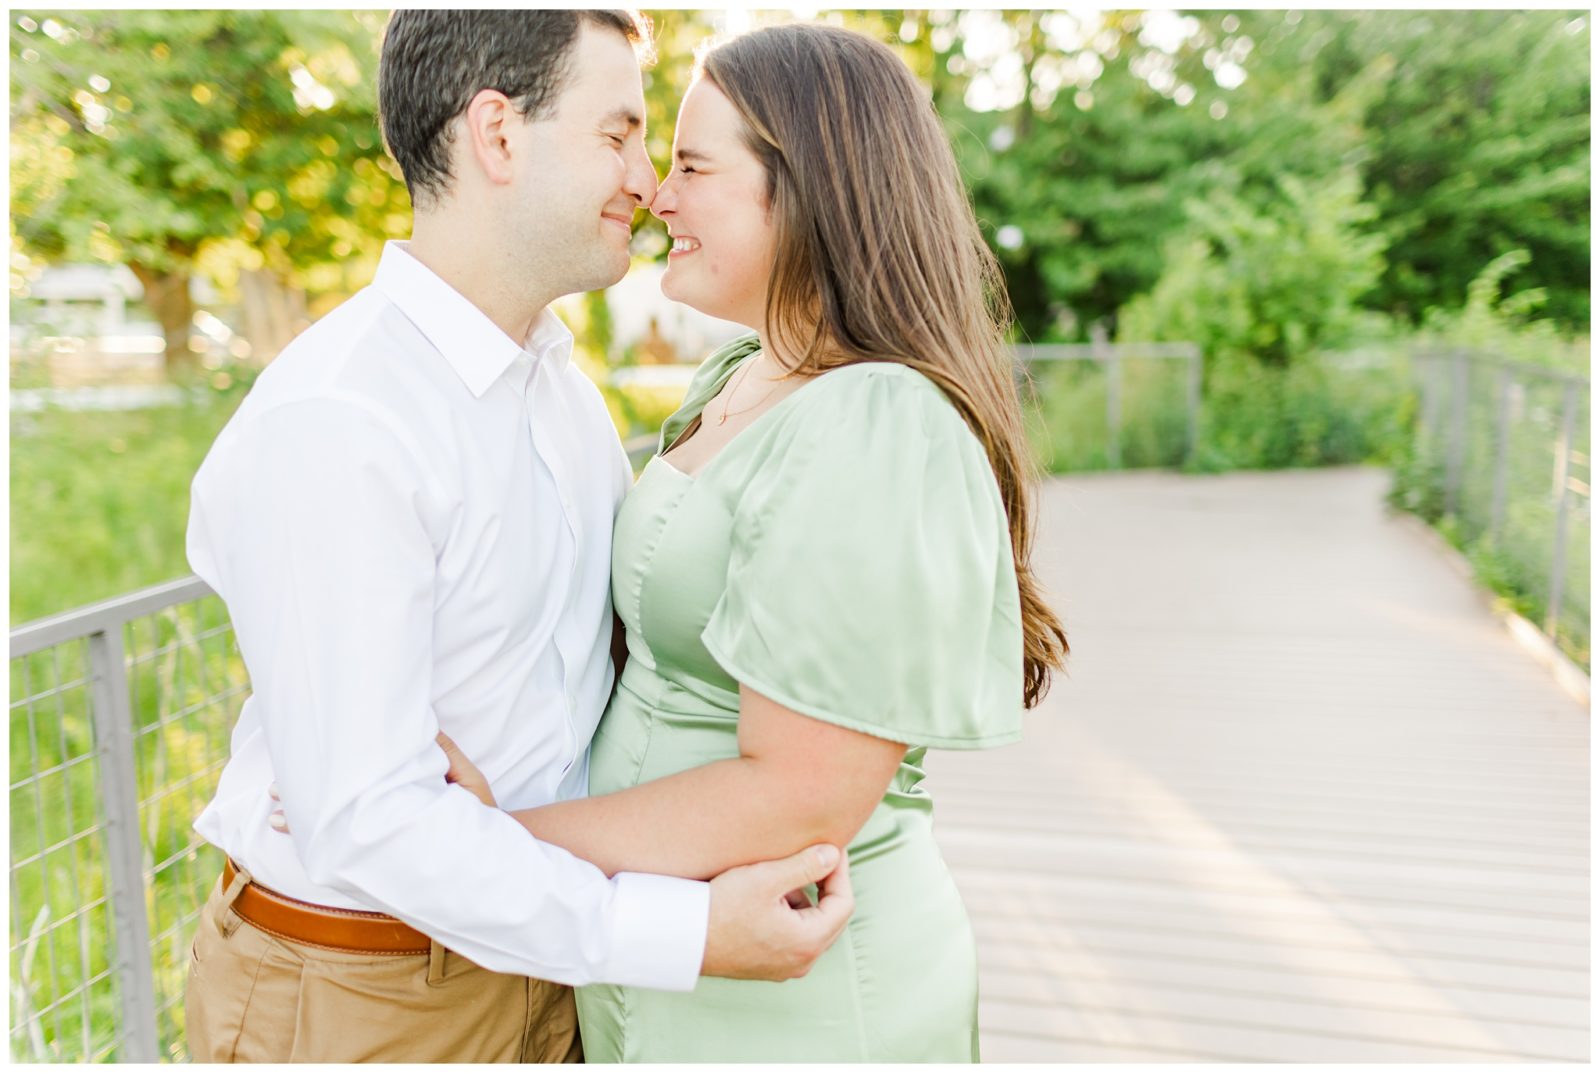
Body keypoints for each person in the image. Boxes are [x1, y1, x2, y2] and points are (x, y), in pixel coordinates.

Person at [181, 11, 853, 1064]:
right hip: (370, 992)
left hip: (546, 960)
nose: (647, 180)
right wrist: (684, 932)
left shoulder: (563, 397)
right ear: (498, 134)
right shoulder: (339, 420)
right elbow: (372, 819)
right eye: (617, 133)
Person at [431, 22, 1071, 1062]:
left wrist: (495, 848)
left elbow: (800, 790)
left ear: (811, 186)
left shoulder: (878, 420)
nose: (655, 194)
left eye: (691, 165)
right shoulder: (741, 375)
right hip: (675, 954)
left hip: (800, 989)